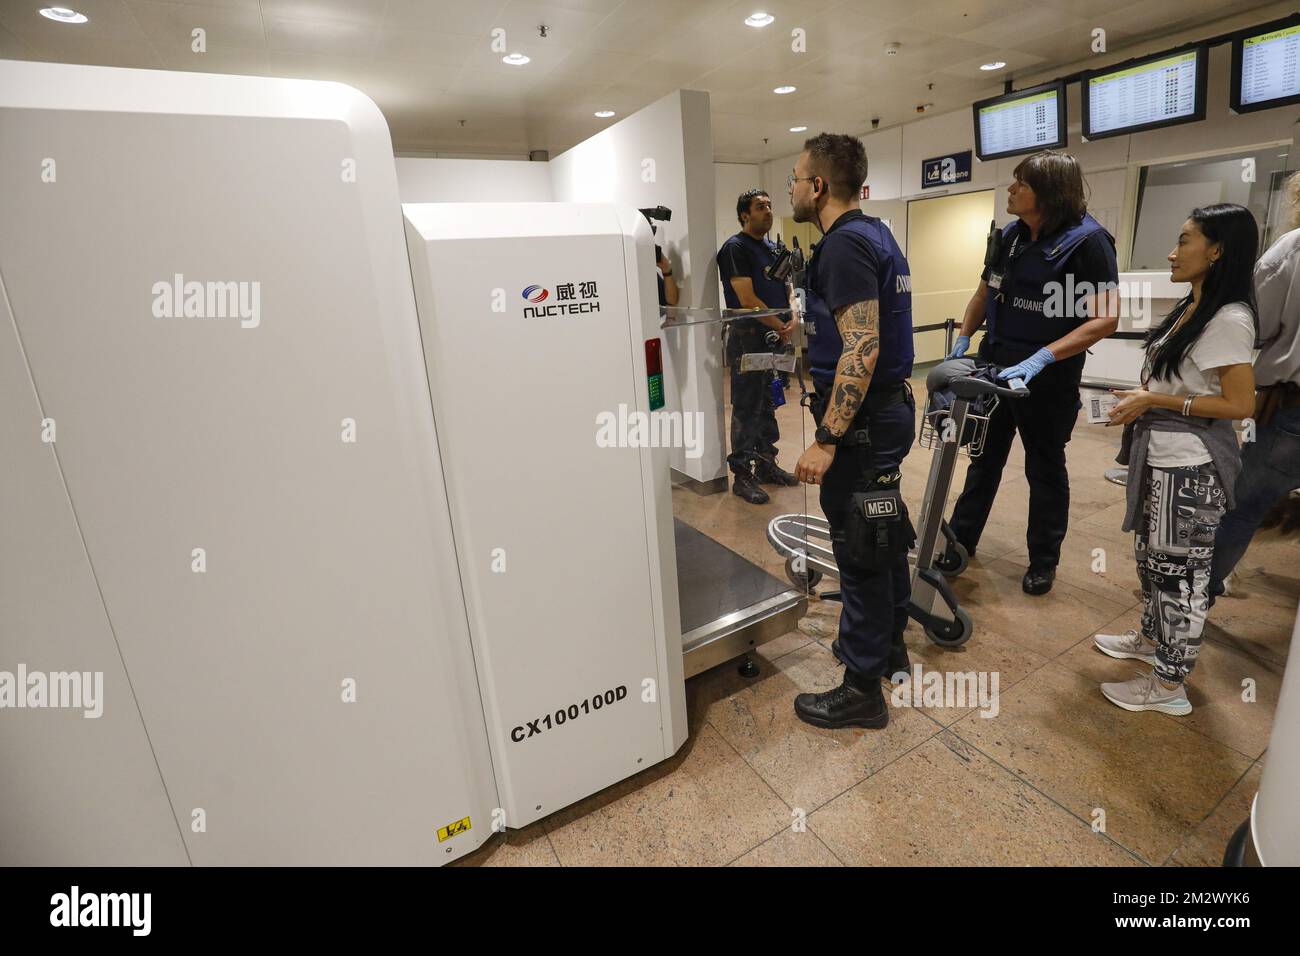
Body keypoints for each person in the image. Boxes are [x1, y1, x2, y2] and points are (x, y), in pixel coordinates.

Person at [1096, 204, 1258, 716]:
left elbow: (1240, 404)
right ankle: (1150, 639)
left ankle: (1169, 685)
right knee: (1153, 562)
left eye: (1185, 240)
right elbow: (1178, 380)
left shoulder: (1230, 319)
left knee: (1182, 577)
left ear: (1217, 250)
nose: (1173, 251)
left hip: (1191, 466)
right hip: (1161, 458)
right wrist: (1143, 394)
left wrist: (1156, 401)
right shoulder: (1194, 306)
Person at [938, 151, 1119, 595]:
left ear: (1049, 192)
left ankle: (1043, 560)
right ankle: (961, 541)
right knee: (984, 460)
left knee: (1044, 467)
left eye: (1020, 183)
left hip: (1047, 377)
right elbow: (984, 291)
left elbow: (1105, 319)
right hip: (994, 370)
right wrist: (963, 337)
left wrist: (1042, 358)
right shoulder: (1013, 236)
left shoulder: (1088, 242)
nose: (1011, 190)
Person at [786, 133, 916, 730]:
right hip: (888, 411)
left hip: (862, 423)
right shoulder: (876, 233)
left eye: (795, 177)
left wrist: (828, 437)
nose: (789, 188)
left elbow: (862, 344)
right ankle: (889, 652)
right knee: (882, 536)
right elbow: (850, 329)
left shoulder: (842, 247)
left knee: (861, 552)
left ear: (818, 186)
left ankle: (861, 689)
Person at [1211, 173, 1300, 597]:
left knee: (1242, 508)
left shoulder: (1292, 249)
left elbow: (1257, 326)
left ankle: (1188, 602)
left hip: (1290, 406)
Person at [716, 189, 798, 504]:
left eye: (769, 205)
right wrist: (780, 325)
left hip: (775, 336)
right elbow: (748, 300)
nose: (767, 211)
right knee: (747, 407)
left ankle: (766, 465)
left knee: (768, 403)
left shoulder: (773, 247)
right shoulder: (735, 249)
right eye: (759, 207)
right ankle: (743, 476)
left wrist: (792, 317)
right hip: (748, 336)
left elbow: (788, 287)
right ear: (744, 215)